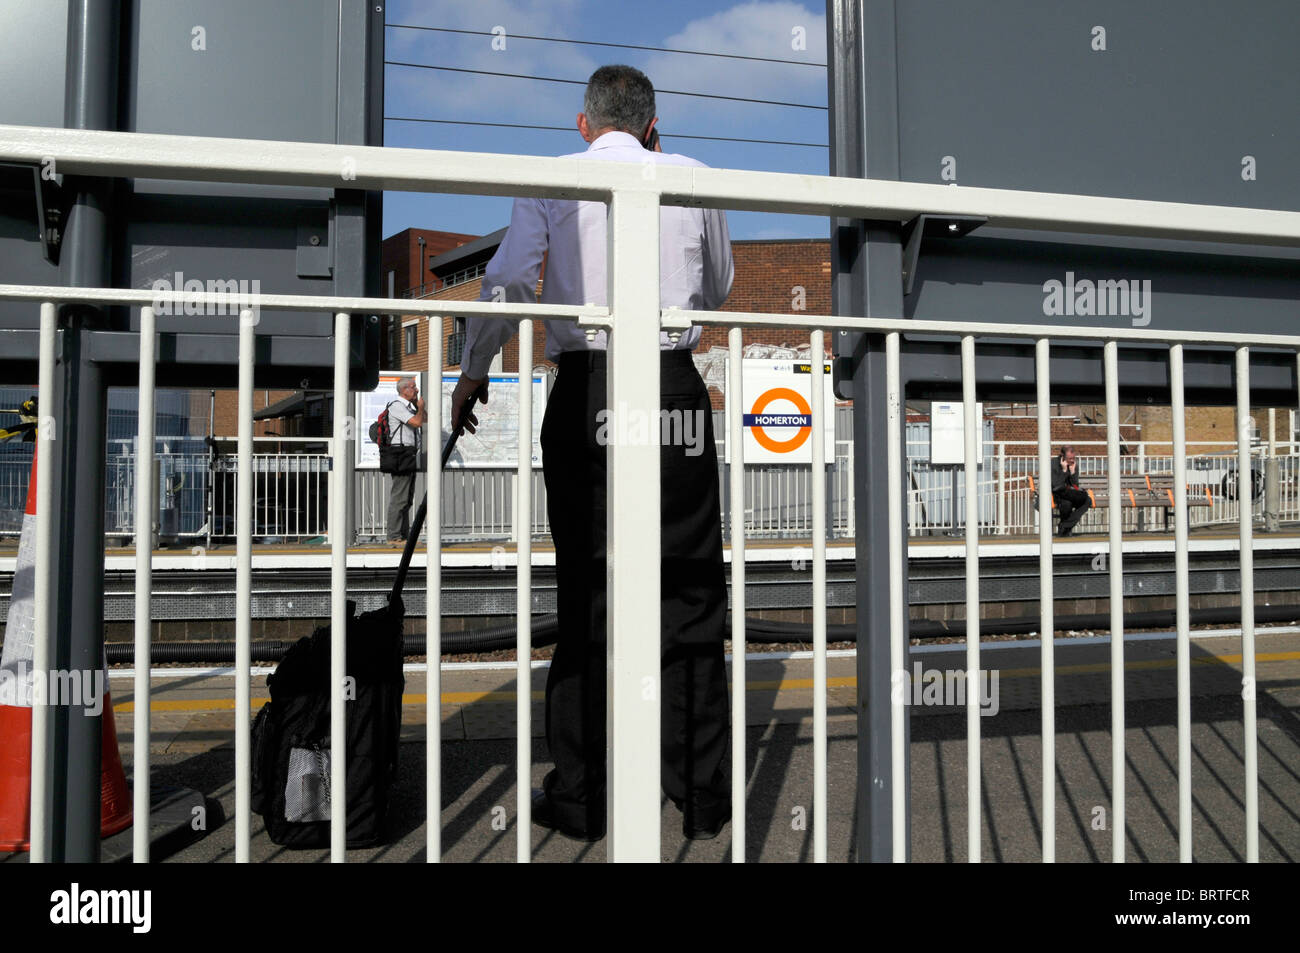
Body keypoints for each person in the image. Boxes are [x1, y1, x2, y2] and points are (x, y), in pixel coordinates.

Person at [451, 64, 734, 842]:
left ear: (585, 124)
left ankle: (581, 792)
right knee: (690, 589)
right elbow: (717, 285)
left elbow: (509, 280)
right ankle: (702, 792)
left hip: (587, 393)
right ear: (651, 124)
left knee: (586, 589)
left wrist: (473, 372)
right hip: (672, 388)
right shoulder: (689, 175)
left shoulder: (555, 176)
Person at [384, 376, 424, 545]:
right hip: (400, 453)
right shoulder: (397, 406)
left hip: (408, 454)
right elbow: (416, 422)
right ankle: (393, 537)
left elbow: (425, 419)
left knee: (407, 497)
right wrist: (420, 408)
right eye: (413, 387)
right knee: (399, 497)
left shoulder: (409, 407)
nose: (416, 390)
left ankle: (403, 536)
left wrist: (419, 407)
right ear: (404, 390)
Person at [1051, 445, 1091, 536]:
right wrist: (1064, 471)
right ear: (1062, 456)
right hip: (1057, 494)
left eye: (1073, 458)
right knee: (1066, 504)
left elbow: (1075, 486)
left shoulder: (1073, 465)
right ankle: (1065, 530)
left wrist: (1073, 473)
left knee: (1088, 500)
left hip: (1070, 493)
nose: (1072, 460)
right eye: (1069, 458)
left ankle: (1064, 525)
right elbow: (1056, 485)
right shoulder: (1053, 464)